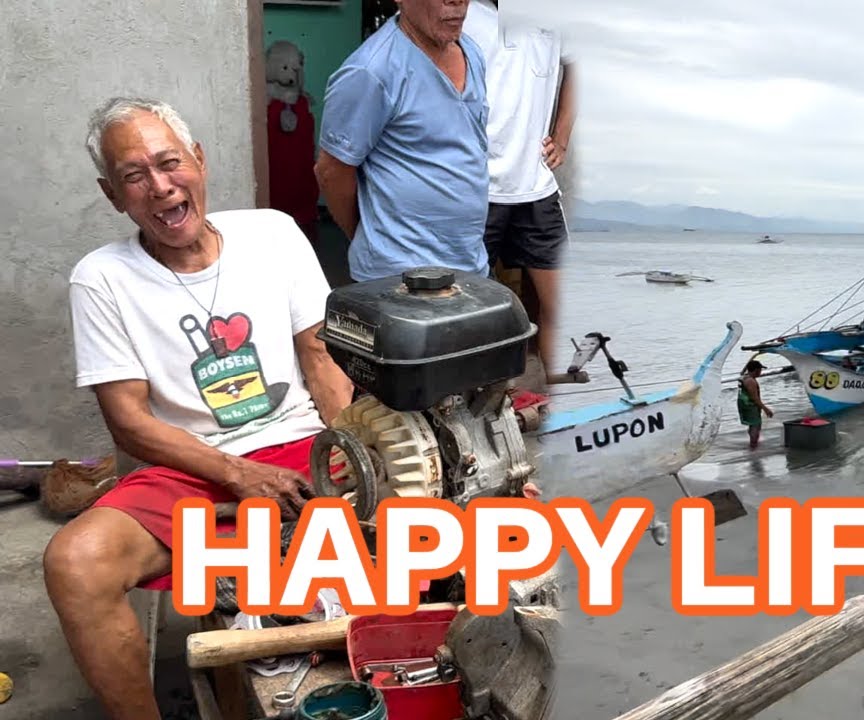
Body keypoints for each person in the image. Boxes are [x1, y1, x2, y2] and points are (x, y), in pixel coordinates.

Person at [46, 97, 356, 720]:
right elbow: (129, 422)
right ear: (113, 195)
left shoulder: (273, 232)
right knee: (75, 562)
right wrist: (238, 474)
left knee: (452, 503)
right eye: (134, 175)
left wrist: (350, 448)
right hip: (191, 468)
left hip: (301, 444)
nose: (160, 187)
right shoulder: (100, 278)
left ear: (199, 161)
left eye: (169, 163)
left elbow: (321, 361)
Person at [315, 0, 490, 283]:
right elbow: (331, 172)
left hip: (470, 267)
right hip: (401, 280)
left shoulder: (471, 52)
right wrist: (371, 237)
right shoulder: (370, 71)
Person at [463, 0, 576, 380]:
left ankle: (562, 403)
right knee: (467, 315)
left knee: (560, 304)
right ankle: (475, 404)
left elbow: (580, 66)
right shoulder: (462, 14)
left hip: (536, 188)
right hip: (475, 190)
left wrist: (561, 135)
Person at [737, 360, 773, 449]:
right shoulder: (750, 381)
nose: (761, 372)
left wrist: (752, 358)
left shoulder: (743, 376)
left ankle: (753, 442)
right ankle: (753, 445)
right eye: (760, 370)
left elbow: (744, 370)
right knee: (756, 425)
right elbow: (755, 398)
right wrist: (765, 409)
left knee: (753, 425)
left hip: (743, 403)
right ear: (756, 370)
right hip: (750, 405)